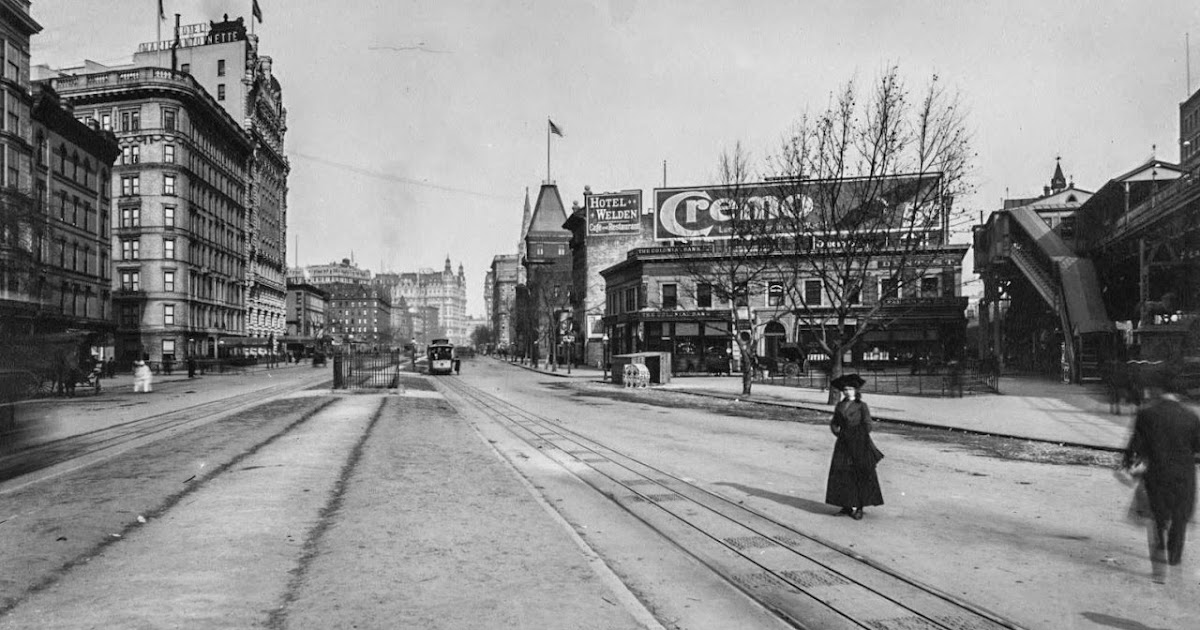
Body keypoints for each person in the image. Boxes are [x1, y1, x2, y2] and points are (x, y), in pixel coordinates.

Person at [1122, 371, 1200, 583]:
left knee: (1157, 520)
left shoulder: (1146, 414)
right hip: (1184, 477)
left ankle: (1159, 566)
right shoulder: (1191, 417)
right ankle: (1174, 556)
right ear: (1179, 394)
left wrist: (1127, 465)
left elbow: (1134, 446)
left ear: (1160, 390)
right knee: (1179, 518)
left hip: (1156, 476)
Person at [825, 373, 884, 520]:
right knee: (842, 473)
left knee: (859, 474)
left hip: (859, 443)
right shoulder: (840, 405)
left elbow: (868, 424)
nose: (847, 391)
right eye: (845, 389)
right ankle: (846, 505)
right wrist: (837, 432)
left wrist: (858, 435)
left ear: (856, 391)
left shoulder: (861, 406)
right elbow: (834, 423)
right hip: (843, 444)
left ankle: (859, 507)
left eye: (850, 389)